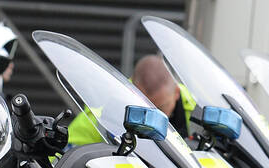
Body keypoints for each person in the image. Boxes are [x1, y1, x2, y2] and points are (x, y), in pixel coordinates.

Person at [67, 53, 197, 145]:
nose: (154, 116)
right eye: (144, 109)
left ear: (176, 93)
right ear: (133, 90)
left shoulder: (197, 108)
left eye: (160, 108)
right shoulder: (106, 109)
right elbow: (66, 153)